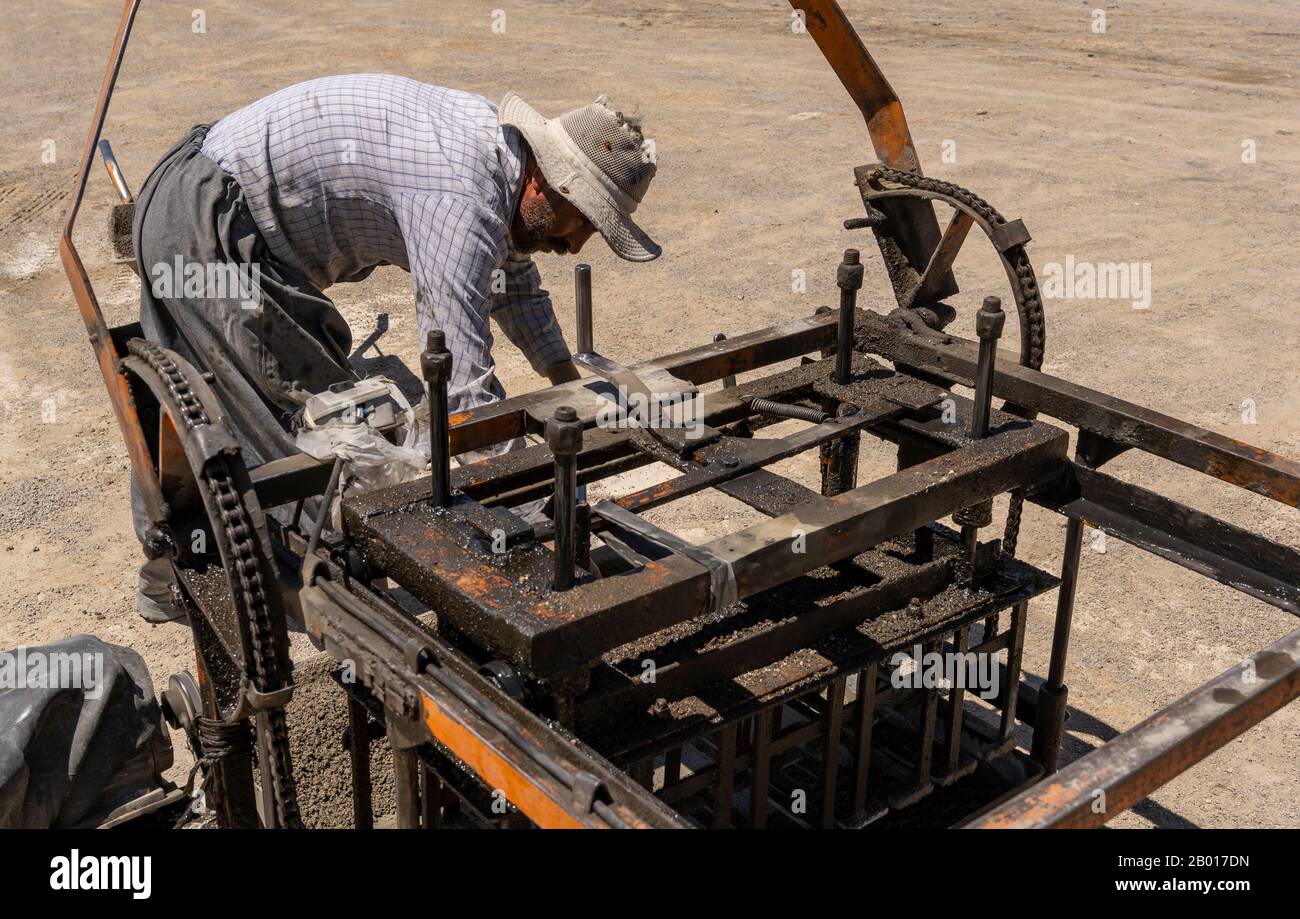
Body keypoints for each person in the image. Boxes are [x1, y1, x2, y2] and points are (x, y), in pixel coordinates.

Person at [130, 74, 661, 621]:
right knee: (294, 440)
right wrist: (533, 512)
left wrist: (564, 382)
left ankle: (176, 571)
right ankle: (264, 596)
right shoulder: (461, 195)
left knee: (260, 401)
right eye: (586, 223)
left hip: (218, 200)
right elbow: (461, 381)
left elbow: (514, 285)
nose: (575, 243)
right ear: (552, 185)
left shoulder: (502, 161)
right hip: (205, 222)